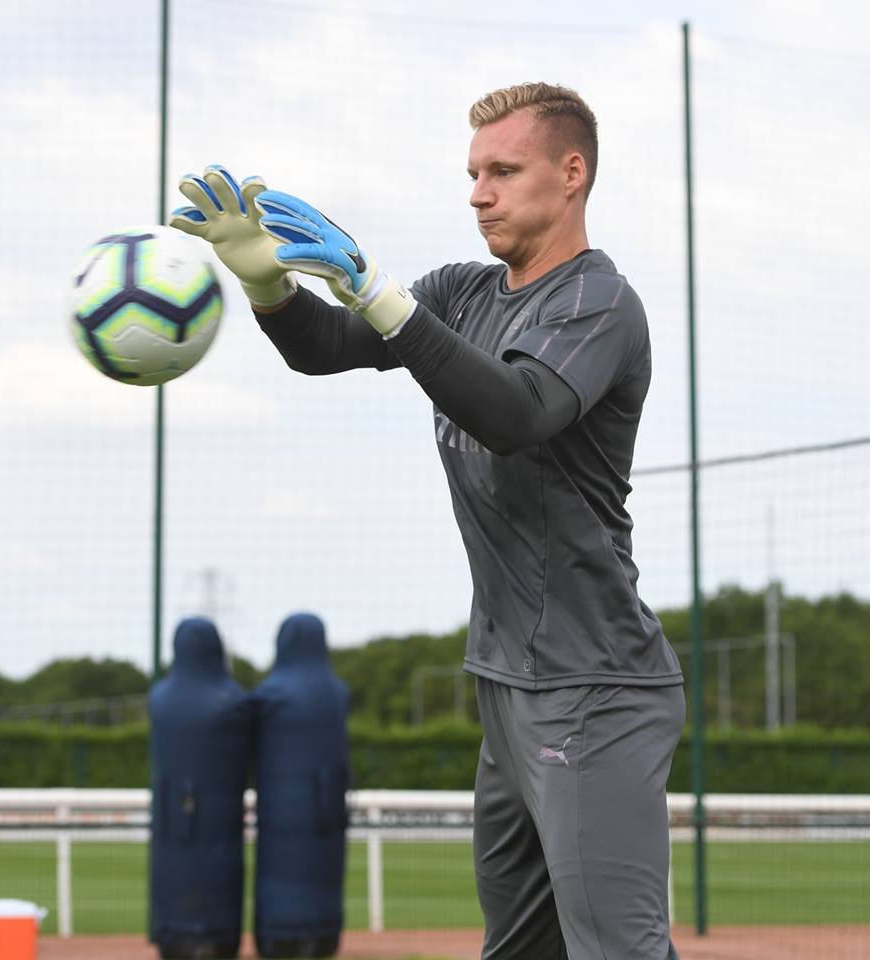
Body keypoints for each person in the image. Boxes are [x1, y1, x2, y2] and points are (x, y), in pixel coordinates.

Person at [171, 81, 685, 960]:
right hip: (507, 681)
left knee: (616, 949)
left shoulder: (598, 304)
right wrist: (264, 279)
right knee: (519, 947)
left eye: (503, 170)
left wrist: (377, 291)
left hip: (593, 689)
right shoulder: (460, 291)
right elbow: (327, 349)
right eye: (473, 172)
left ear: (572, 173)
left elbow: (516, 412)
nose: (478, 192)